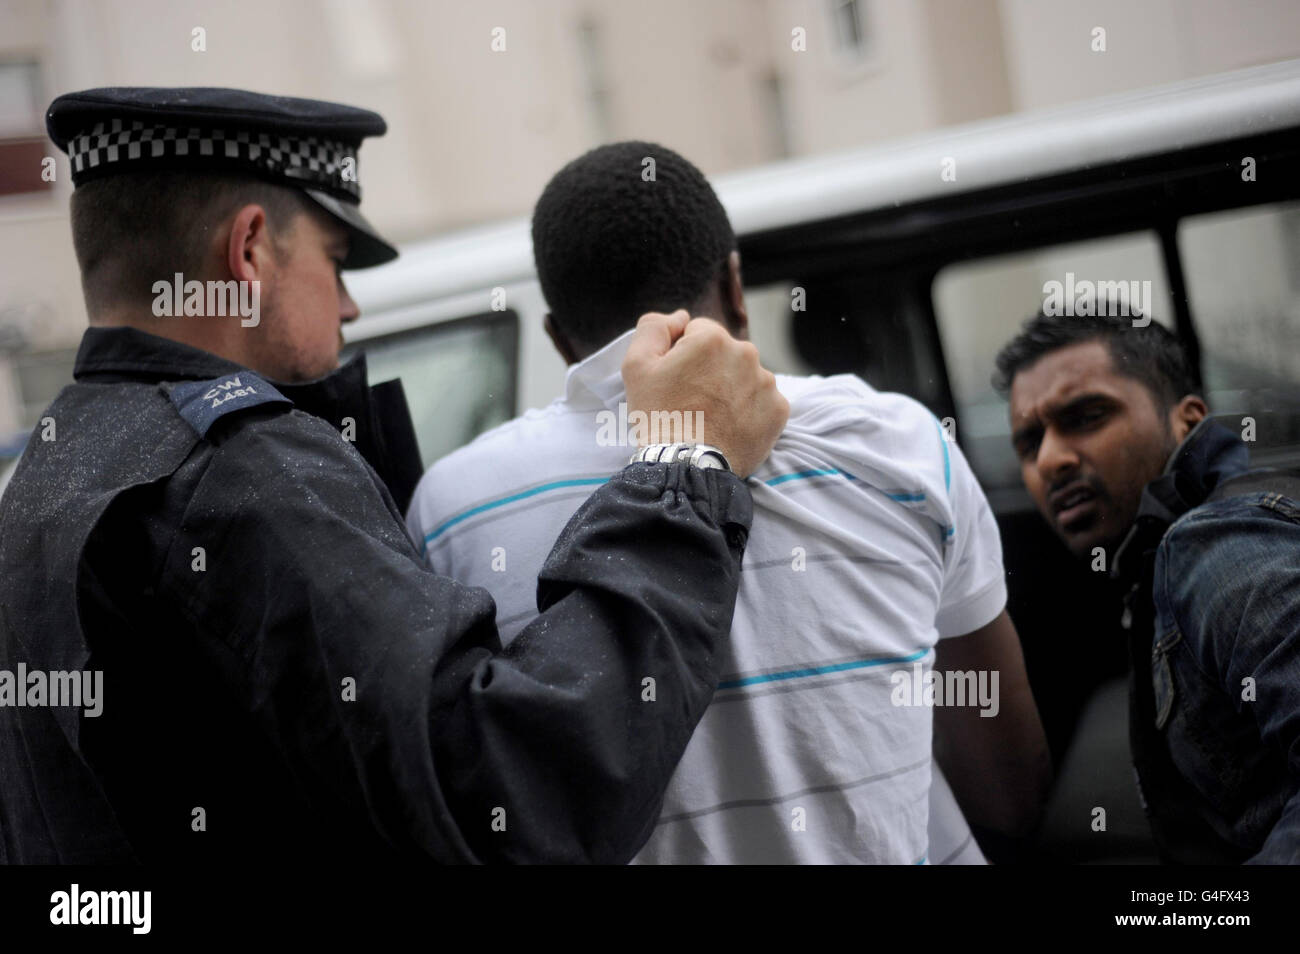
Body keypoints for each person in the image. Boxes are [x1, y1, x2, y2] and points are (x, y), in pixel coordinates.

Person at [0, 88, 789, 865]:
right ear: (248, 251)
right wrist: (689, 462)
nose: (346, 306)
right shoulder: (239, 472)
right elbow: (517, 792)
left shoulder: (52, 469)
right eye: (335, 262)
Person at [407, 141, 1051, 864]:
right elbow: (1005, 785)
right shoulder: (900, 445)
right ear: (735, 285)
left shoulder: (452, 508)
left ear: (559, 338)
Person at [994, 309, 1300, 863]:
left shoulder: (1217, 548)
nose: (1051, 460)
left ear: (1187, 421)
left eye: (1087, 416)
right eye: (1028, 441)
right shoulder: (1159, 550)